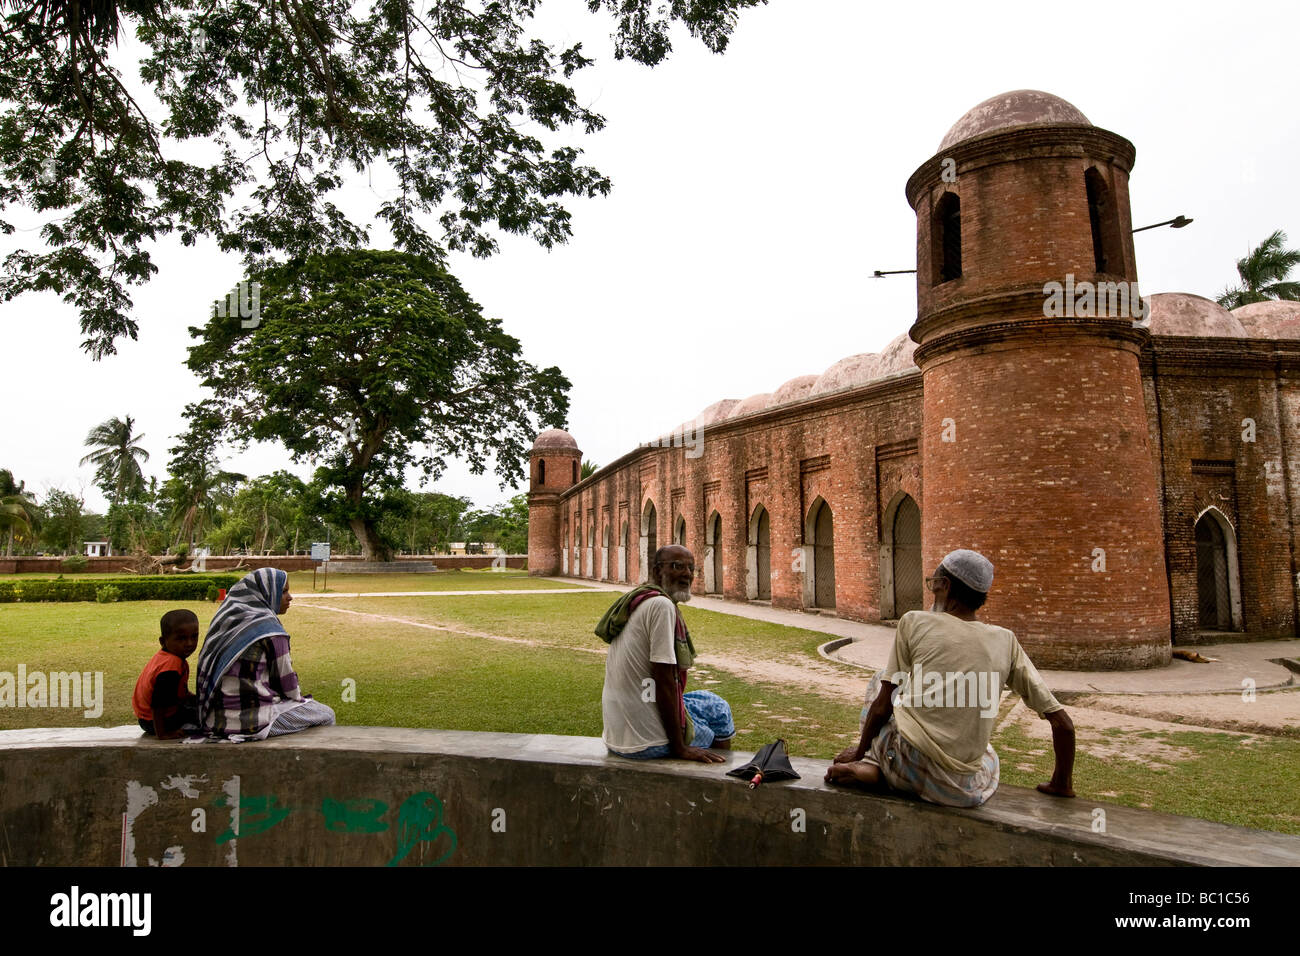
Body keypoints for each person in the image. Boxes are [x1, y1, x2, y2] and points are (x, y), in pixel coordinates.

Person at [825, 548, 1075, 807]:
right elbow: (1063, 724)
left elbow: (882, 706)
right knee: (988, 754)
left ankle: (872, 765)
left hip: (905, 761)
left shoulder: (914, 622)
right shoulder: (1006, 640)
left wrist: (859, 752)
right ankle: (885, 771)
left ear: (945, 586)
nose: (932, 593)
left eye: (934, 586)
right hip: (959, 789)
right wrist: (1061, 784)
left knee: (882, 680)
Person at [596, 544, 735, 762]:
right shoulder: (661, 606)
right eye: (677, 566)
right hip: (646, 744)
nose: (687, 574)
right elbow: (664, 680)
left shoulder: (638, 600)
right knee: (718, 718)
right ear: (656, 571)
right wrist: (680, 747)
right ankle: (718, 779)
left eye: (691, 568)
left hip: (618, 735)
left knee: (713, 703)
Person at [193, 568, 335, 742]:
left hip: (213, 720)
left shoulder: (225, 620)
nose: (290, 597)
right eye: (284, 592)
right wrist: (299, 701)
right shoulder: (270, 630)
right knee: (326, 714)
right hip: (251, 723)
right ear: (267, 592)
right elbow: (289, 688)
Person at [132, 608, 200, 739]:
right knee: (205, 716)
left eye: (194, 636)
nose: (189, 643)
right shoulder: (170, 668)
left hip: (149, 717)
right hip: (154, 721)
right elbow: (158, 705)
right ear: (163, 641)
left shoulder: (167, 657)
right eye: (181, 638)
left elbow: (179, 693)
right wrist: (163, 734)